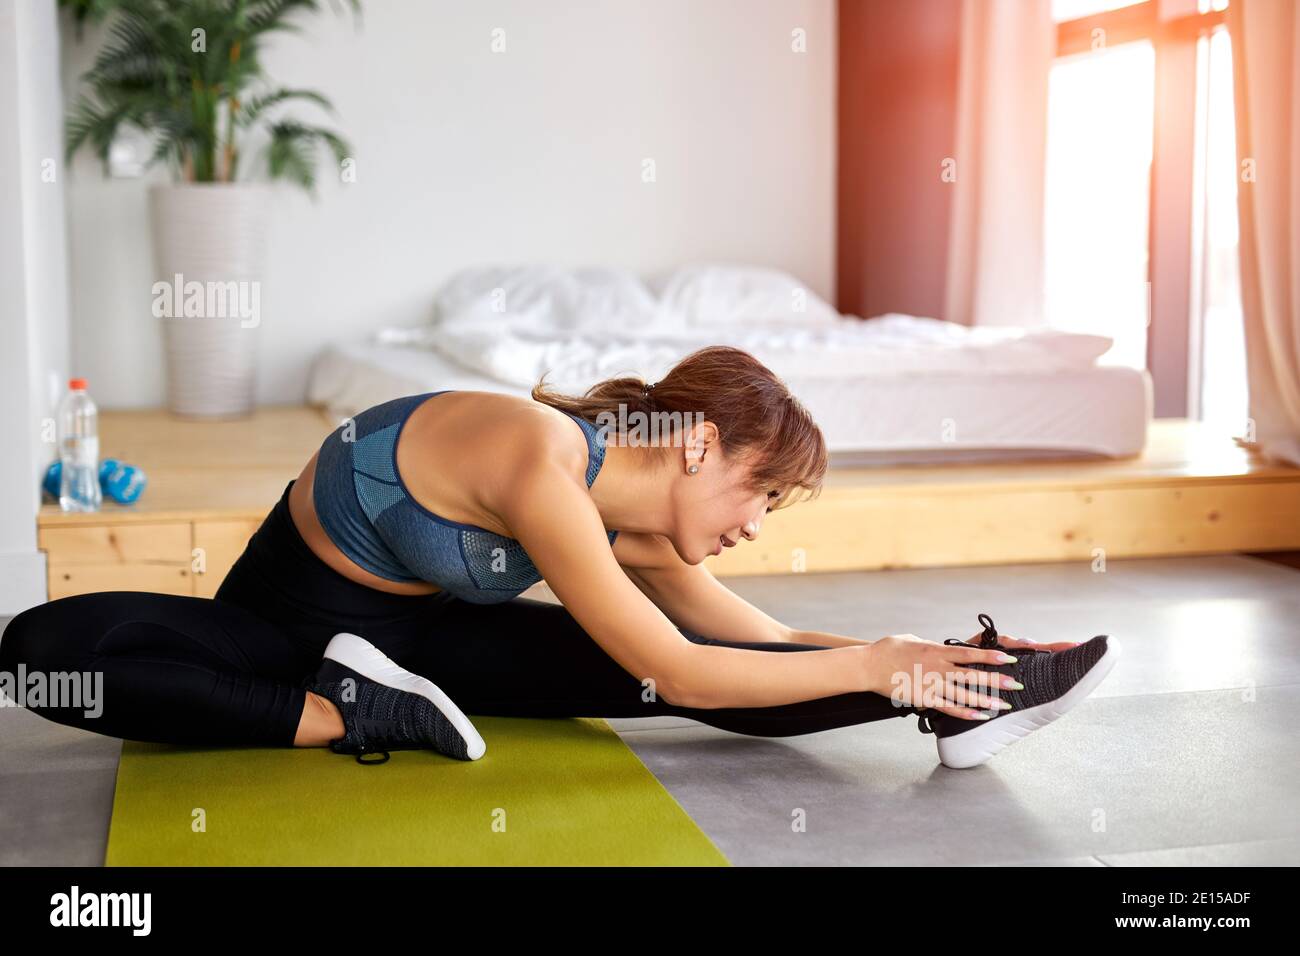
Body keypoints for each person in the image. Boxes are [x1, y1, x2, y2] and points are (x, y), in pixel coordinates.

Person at [0, 346, 1115, 770]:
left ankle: (975, 698)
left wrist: (925, 665)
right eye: (758, 492)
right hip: (291, 627)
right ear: (694, 444)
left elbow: (754, 645)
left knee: (710, 663)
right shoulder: (539, 459)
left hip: (426, 646)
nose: (754, 524)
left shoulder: (634, 522)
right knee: (39, 651)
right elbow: (685, 672)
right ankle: (351, 715)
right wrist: (874, 658)